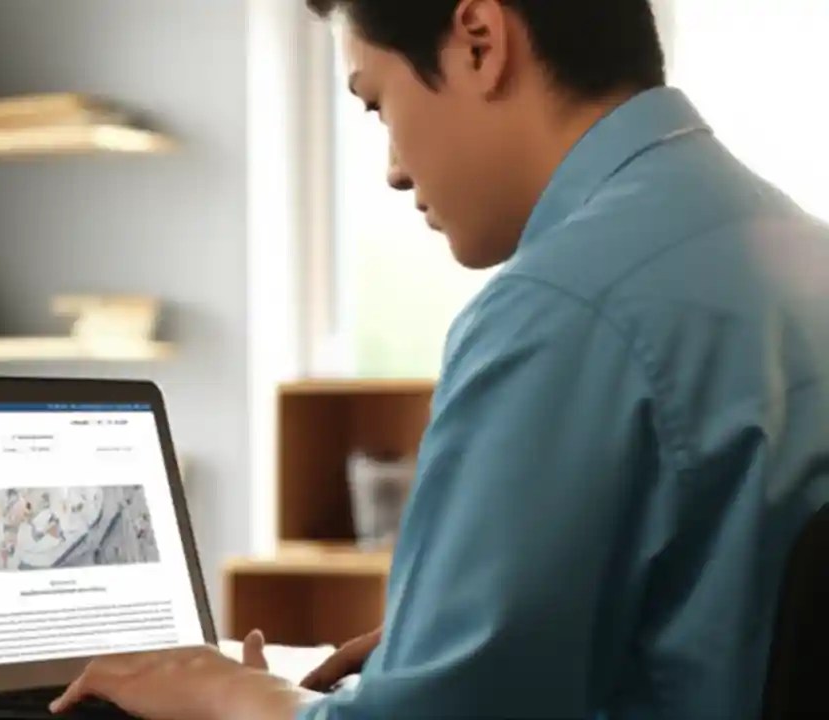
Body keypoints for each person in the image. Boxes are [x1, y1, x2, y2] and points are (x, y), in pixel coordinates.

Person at [51, 0, 829, 717]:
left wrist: (235, 695)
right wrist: (446, 653)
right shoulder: (792, 248)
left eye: (377, 102)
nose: (392, 167)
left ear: (480, 43)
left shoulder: (557, 308)